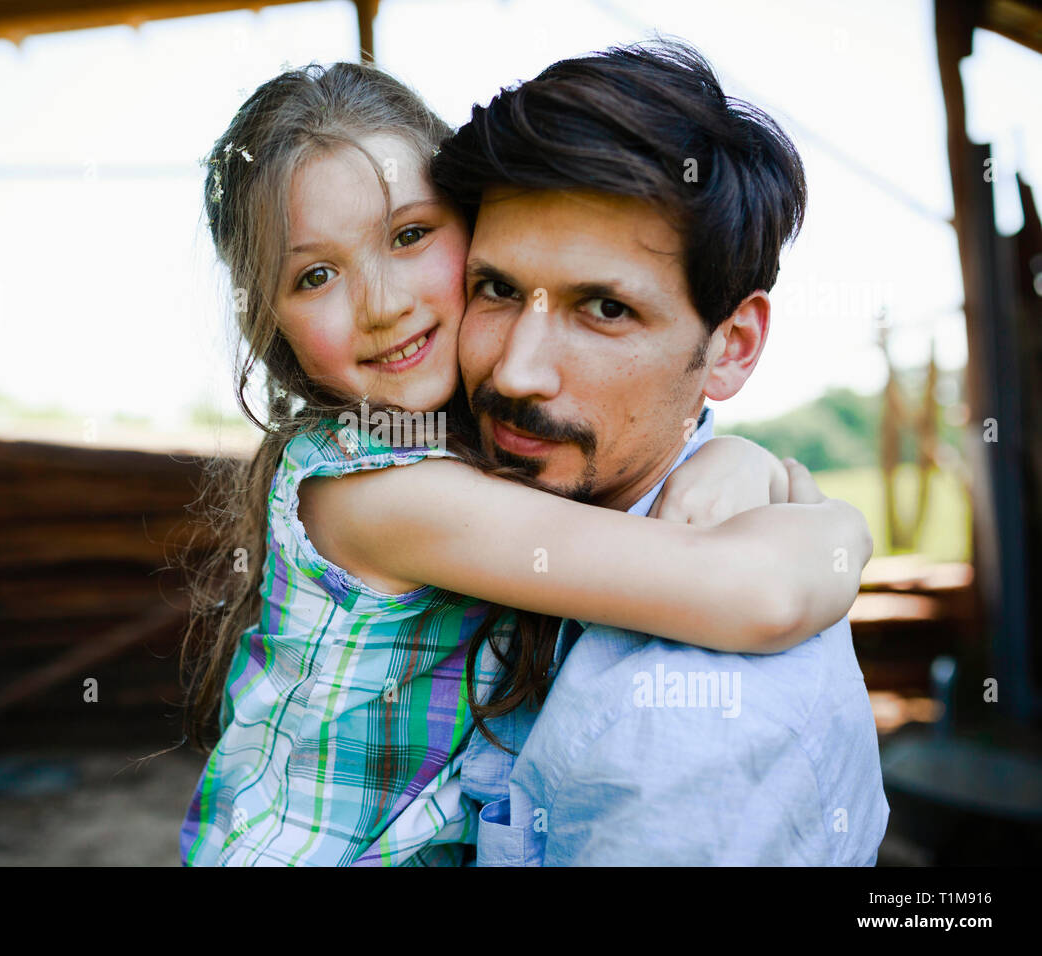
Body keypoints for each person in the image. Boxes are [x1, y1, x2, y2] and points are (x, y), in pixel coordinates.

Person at [178, 60, 872, 866]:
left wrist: (733, 457)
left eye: (409, 236)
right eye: (315, 275)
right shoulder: (375, 489)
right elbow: (762, 589)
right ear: (273, 324)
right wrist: (839, 528)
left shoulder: (460, 437)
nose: (382, 303)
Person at [425, 39, 890, 865]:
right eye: (496, 289)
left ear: (731, 347)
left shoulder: (691, 732)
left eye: (603, 308)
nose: (515, 371)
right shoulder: (469, 482)